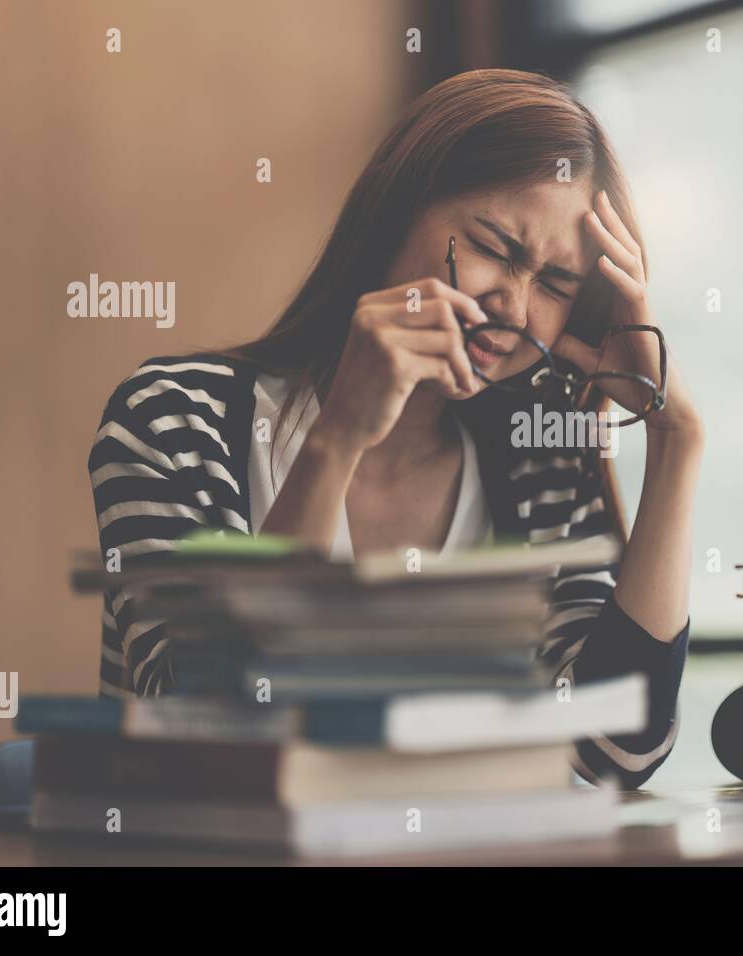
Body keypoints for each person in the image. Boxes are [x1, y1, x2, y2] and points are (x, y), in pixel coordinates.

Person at [88, 69, 703, 788]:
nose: (513, 304)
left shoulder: (542, 459)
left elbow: (611, 755)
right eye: (497, 247)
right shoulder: (171, 418)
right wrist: (339, 435)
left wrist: (677, 439)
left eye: (557, 285)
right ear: (396, 211)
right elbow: (210, 725)